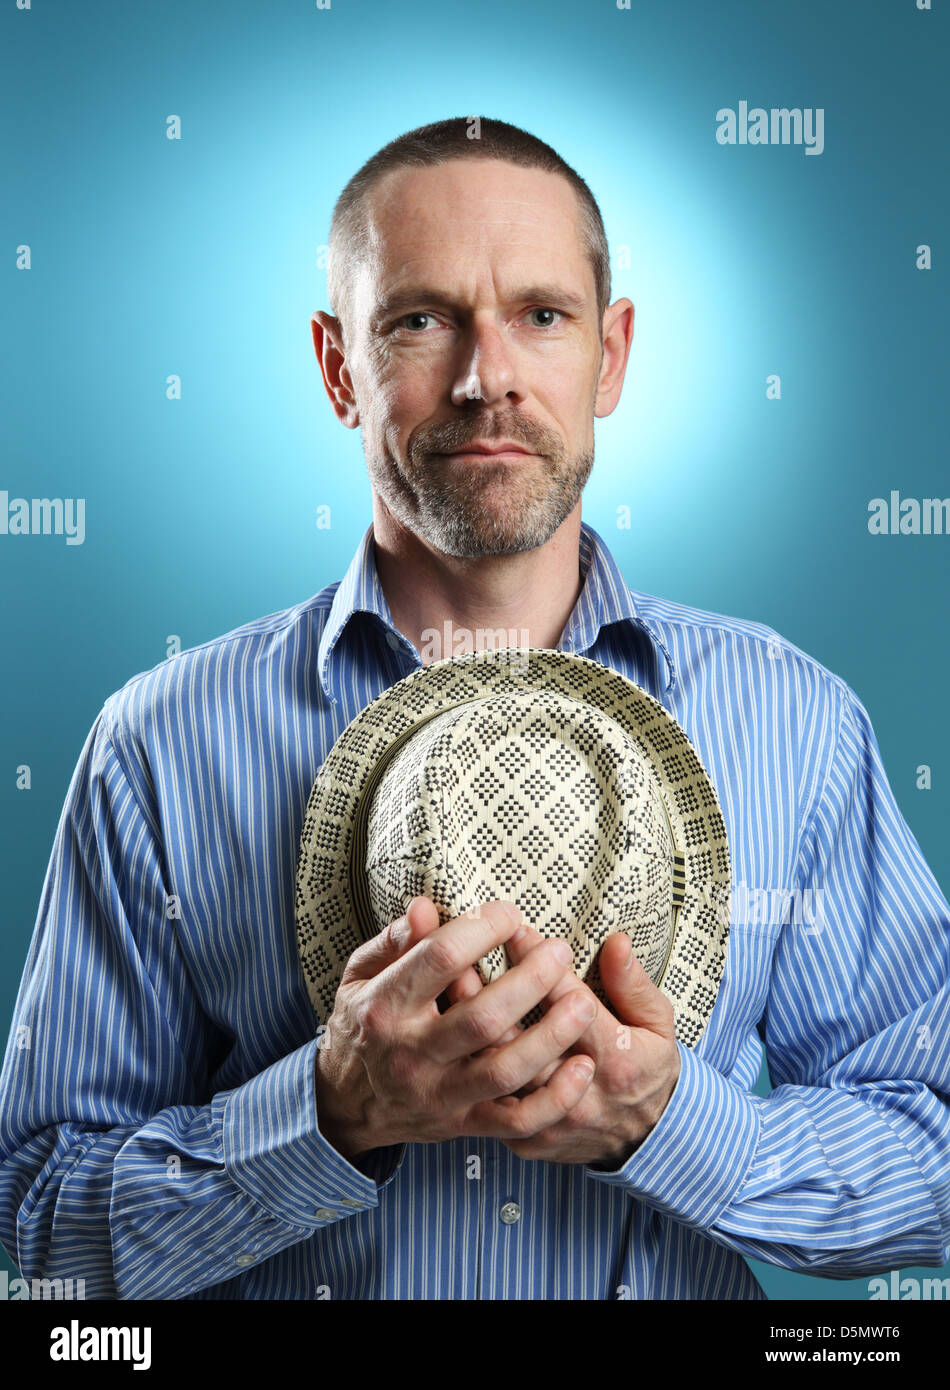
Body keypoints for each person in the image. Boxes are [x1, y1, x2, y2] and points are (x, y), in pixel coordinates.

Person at [1, 116, 948, 1301]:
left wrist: (681, 1129)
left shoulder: (793, 722)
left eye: (539, 316)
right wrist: (325, 1116)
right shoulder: (156, 743)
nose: (483, 373)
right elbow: (43, 1224)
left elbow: (936, 1146)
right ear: (339, 367)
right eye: (419, 319)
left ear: (609, 356)